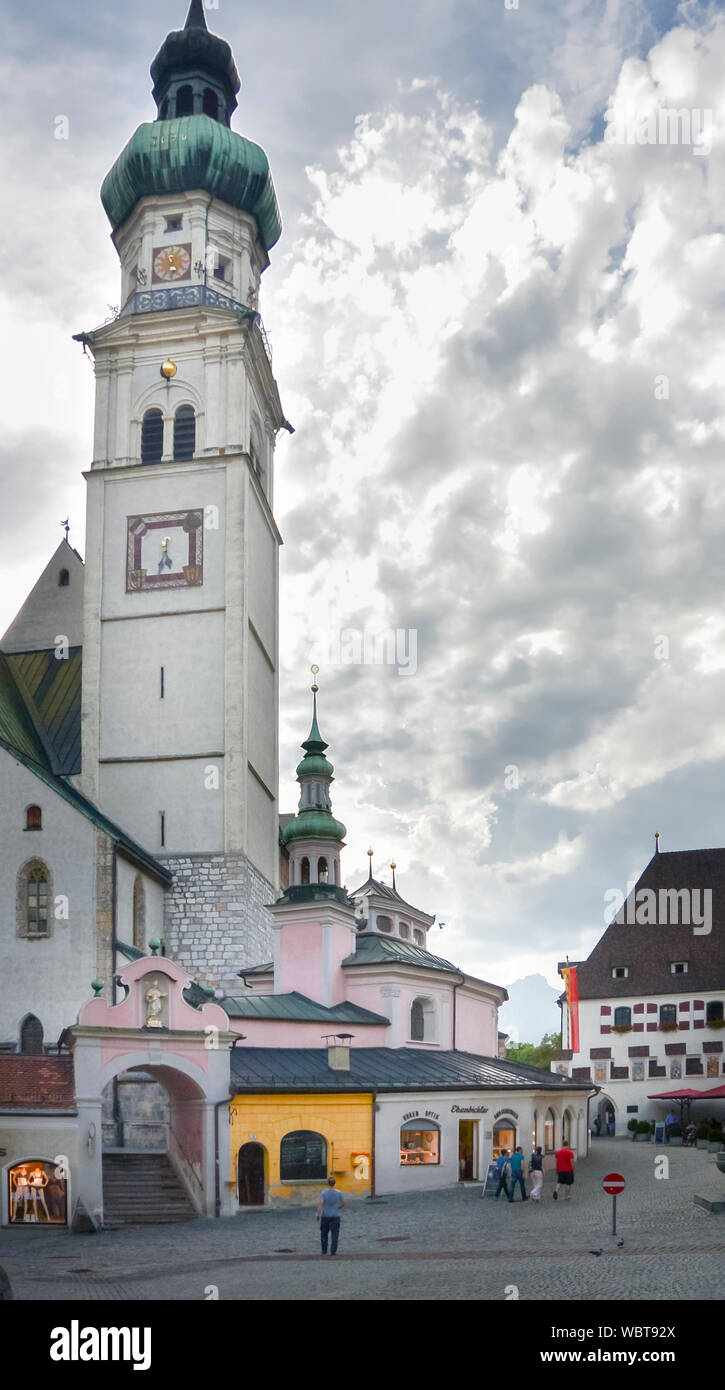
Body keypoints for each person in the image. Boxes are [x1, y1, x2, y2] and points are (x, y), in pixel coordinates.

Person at [316, 1177, 344, 1256]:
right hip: (335, 1216)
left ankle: (324, 1250)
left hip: (325, 1216)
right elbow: (343, 1203)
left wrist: (318, 1215)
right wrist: (338, 1208)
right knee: (335, 1234)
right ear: (334, 1183)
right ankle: (333, 1251)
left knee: (324, 1234)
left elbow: (321, 1204)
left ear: (328, 1184)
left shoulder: (323, 1193)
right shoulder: (339, 1193)